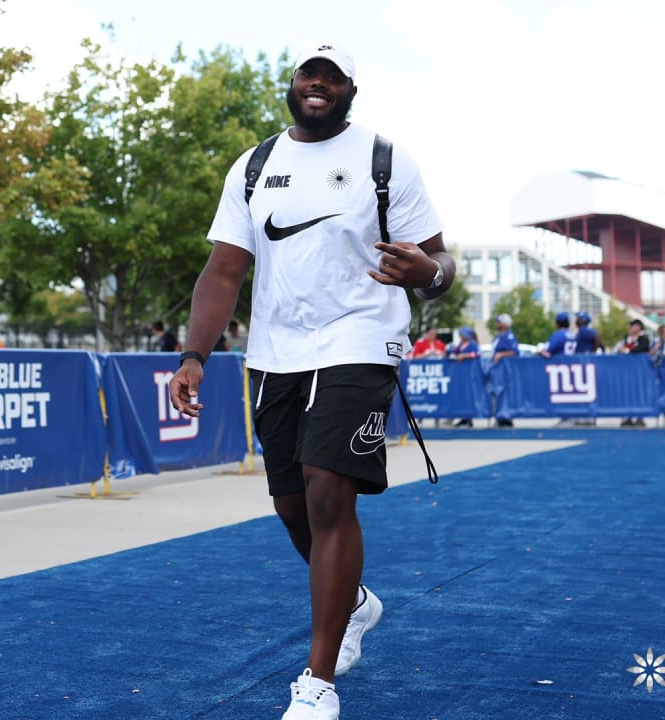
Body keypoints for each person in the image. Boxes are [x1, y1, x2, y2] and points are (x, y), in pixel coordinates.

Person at [168, 44, 453, 720]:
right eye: (308, 74)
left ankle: (317, 683)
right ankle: (354, 601)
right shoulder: (255, 165)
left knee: (329, 495)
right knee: (292, 504)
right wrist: (194, 356)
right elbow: (224, 272)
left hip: (360, 341)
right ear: (293, 84)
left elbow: (440, 263)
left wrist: (426, 275)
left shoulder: (385, 160)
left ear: (351, 87)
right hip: (275, 353)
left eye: (332, 76)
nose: (318, 84)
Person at [616, 320, 651, 426]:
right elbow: (620, 350)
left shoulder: (643, 338)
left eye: (632, 326)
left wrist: (627, 351)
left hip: (640, 371)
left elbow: (641, 349)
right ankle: (628, 416)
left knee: (639, 393)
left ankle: (640, 417)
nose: (630, 328)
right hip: (628, 371)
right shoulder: (627, 338)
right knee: (627, 393)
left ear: (638, 327)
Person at [490, 314, 519, 427]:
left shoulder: (509, 336)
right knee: (496, 393)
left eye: (498, 322)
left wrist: (501, 354)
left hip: (505, 371)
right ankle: (499, 416)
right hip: (496, 370)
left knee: (504, 393)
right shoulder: (498, 336)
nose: (496, 324)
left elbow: (514, 352)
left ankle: (505, 417)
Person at [447, 327, 479, 428]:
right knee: (461, 395)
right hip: (460, 375)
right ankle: (463, 417)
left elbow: (477, 354)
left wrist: (465, 356)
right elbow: (455, 353)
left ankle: (468, 418)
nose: (460, 336)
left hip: (469, 374)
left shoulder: (473, 344)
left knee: (468, 395)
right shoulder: (460, 344)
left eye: (462, 334)